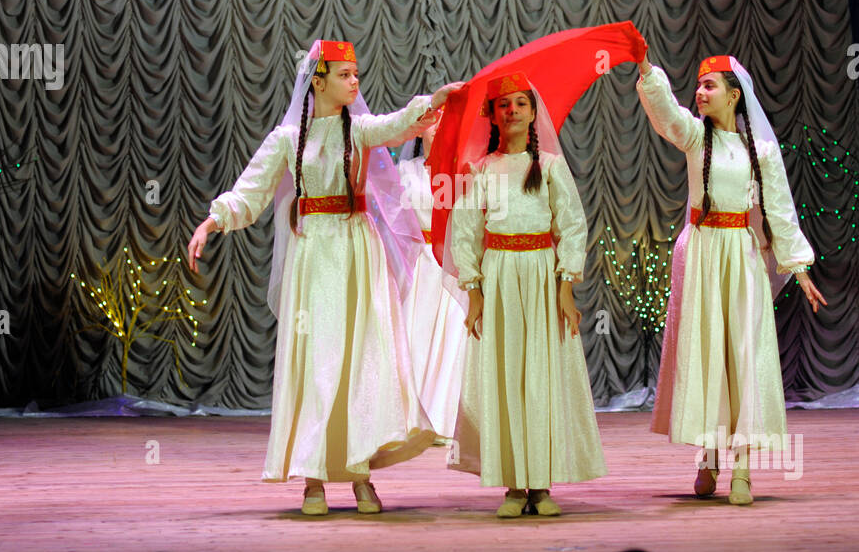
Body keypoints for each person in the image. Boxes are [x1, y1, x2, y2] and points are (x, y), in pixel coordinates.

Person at [188, 39, 459, 515]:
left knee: (364, 360)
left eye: (356, 75)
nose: (355, 82)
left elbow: (398, 125)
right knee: (318, 360)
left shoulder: (360, 130)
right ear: (318, 80)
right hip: (314, 256)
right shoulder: (288, 139)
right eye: (345, 75)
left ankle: (359, 473)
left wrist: (433, 100)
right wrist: (212, 222)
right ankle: (313, 478)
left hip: (359, 251)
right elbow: (249, 191)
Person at [636, 46, 826, 505]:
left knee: (742, 353)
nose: (700, 93)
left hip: (740, 257)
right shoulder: (695, 138)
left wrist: (798, 268)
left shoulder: (760, 150)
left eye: (709, 86)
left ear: (734, 96)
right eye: (698, 86)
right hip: (701, 254)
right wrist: (645, 68)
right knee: (707, 355)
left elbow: (779, 210)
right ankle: (708, 454)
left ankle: (742, 464)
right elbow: (665, 114)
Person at [445, 71, 607, 517]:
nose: (512, 110)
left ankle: (541, 482)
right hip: (498, 277)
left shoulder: (551, 167)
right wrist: (474, 291)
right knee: (506, 374)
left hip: (539, 274)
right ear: (492, 115)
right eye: (503, 105)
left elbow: (572, 225)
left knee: (540, 373)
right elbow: (466, 231)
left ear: (533, 112)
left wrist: (566, 287)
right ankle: (514, 482)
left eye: (520, 103)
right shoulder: (481, 170)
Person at [396, 118, 466, 441]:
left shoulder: (460, 171)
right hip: (419, 261)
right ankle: (411, 418)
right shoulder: (405, 172)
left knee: (452, 339)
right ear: (419, 128)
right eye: (431, 120)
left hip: (450, 261)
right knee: (416, 336)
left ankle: (443, 419)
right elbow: (392, 220)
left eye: (443, 119)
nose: (438, 125)